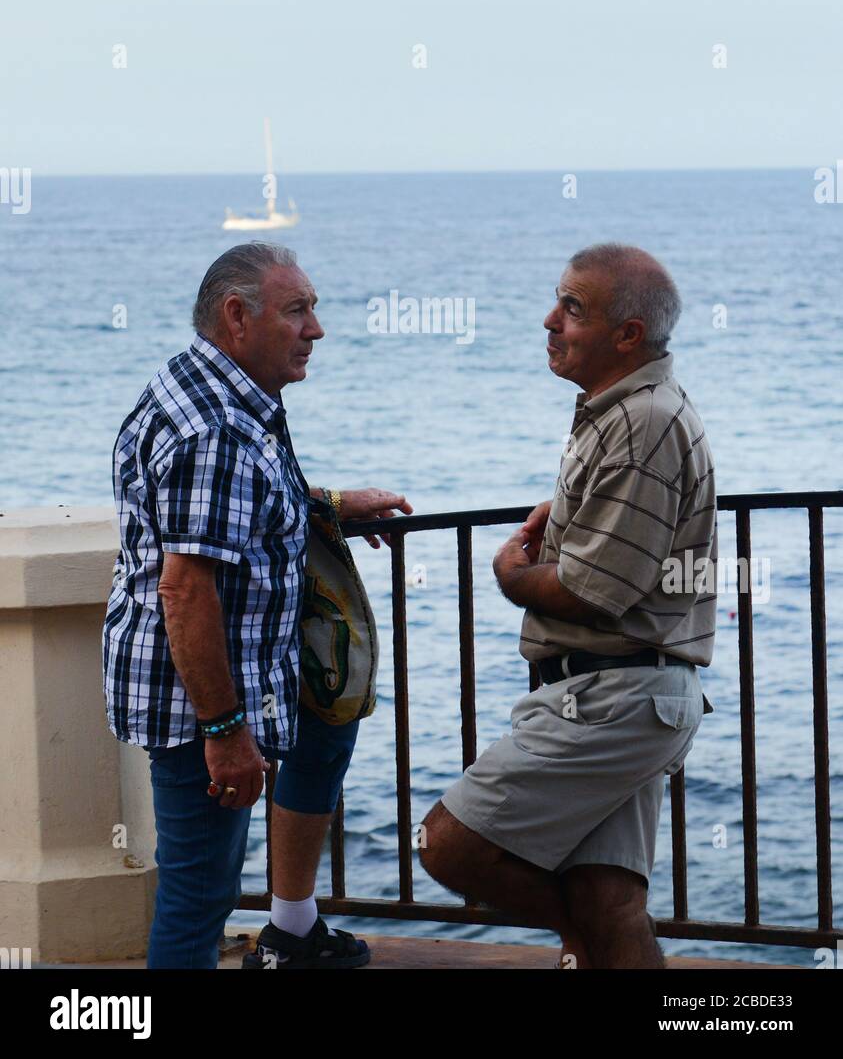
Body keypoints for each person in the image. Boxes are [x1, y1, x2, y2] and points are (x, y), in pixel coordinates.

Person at [103, 241, 411, 969]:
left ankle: (294, 930)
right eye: (297, 310)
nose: (316, 329)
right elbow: (185, 586)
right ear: (236, 317)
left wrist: (330, 503)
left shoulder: (212, 387)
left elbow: (232, 507)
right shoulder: (217, 429)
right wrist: (224, 732)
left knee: (201, 880)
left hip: (216, 681)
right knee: (198, 894)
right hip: (195, 700)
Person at [419, 243, 716, 969]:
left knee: (448, 844)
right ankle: (598, 940)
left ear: (628, 336)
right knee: (613, 906)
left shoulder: (641, 423)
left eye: (573, 308)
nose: (549, 320)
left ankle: (584, 935)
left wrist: (511, 571)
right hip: (626, 694)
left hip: (615, 698)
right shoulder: (621, 415)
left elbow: (595, 591)